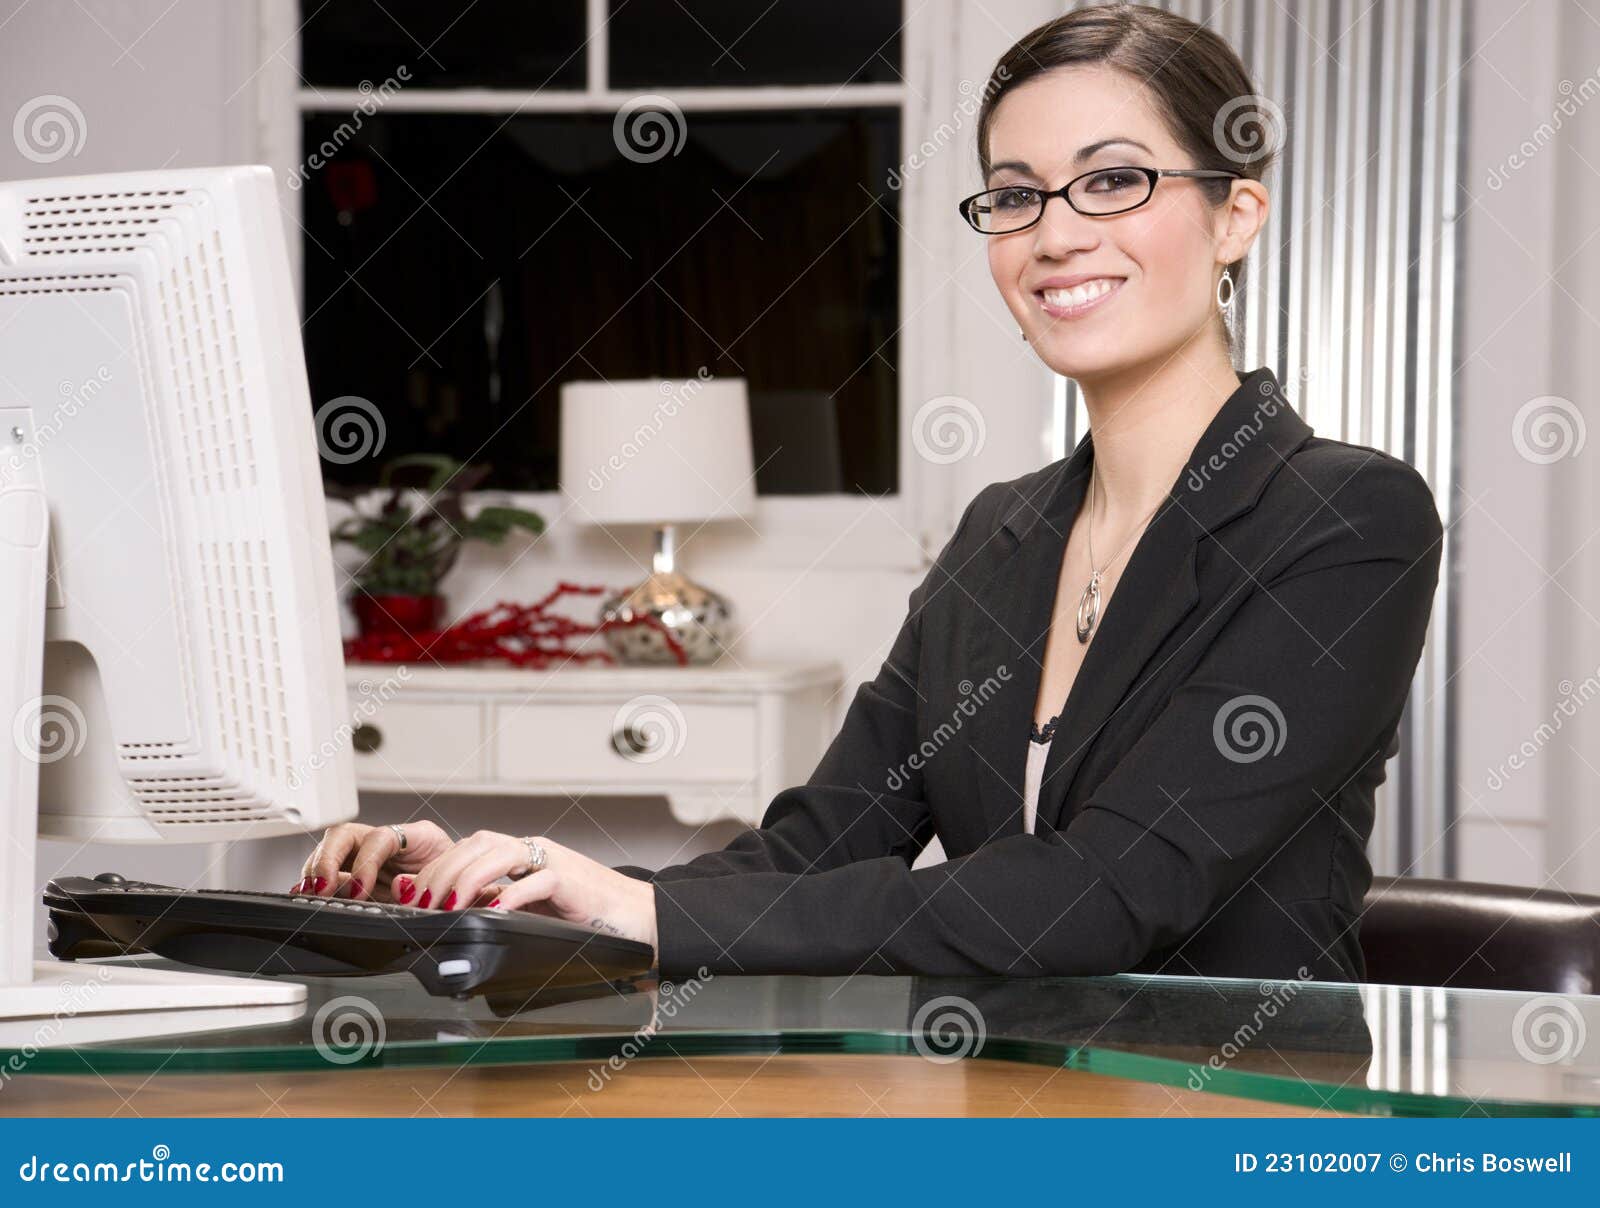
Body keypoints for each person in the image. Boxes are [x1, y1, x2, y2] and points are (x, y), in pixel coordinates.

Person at [296, 4, 1443, 984]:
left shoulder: (1346, 519)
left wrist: (645, 912)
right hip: (998, 1099)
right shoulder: (1001, 531)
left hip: (1232, 1114)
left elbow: (1114, 886)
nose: (1054, 234)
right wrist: (536, 881)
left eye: (1111, 181)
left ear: (1235, 212)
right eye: (1015, 195)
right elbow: (816, 849)